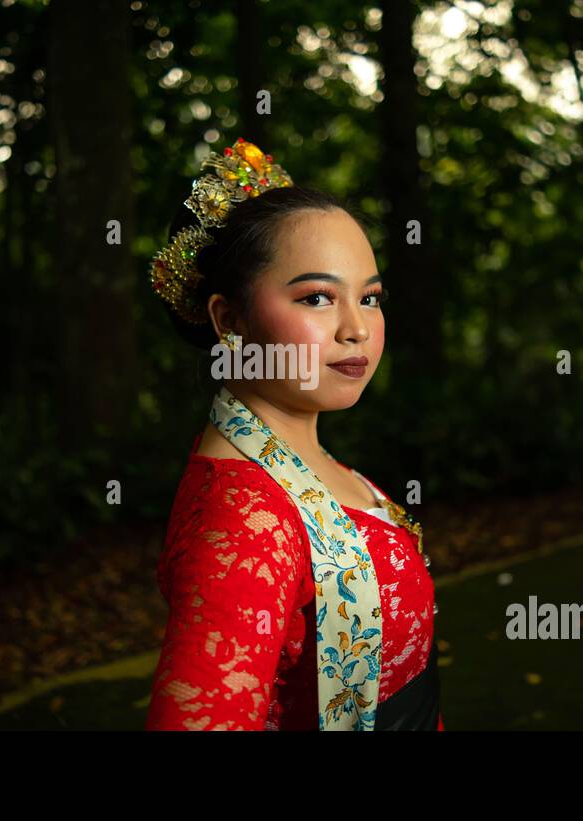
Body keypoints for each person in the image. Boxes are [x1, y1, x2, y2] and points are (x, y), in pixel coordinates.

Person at [144, 137, 442, 731]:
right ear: (229, 319)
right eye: (316, 298)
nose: (356, 328)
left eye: (370, 298)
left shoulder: (302, 461)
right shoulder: (242, 519)